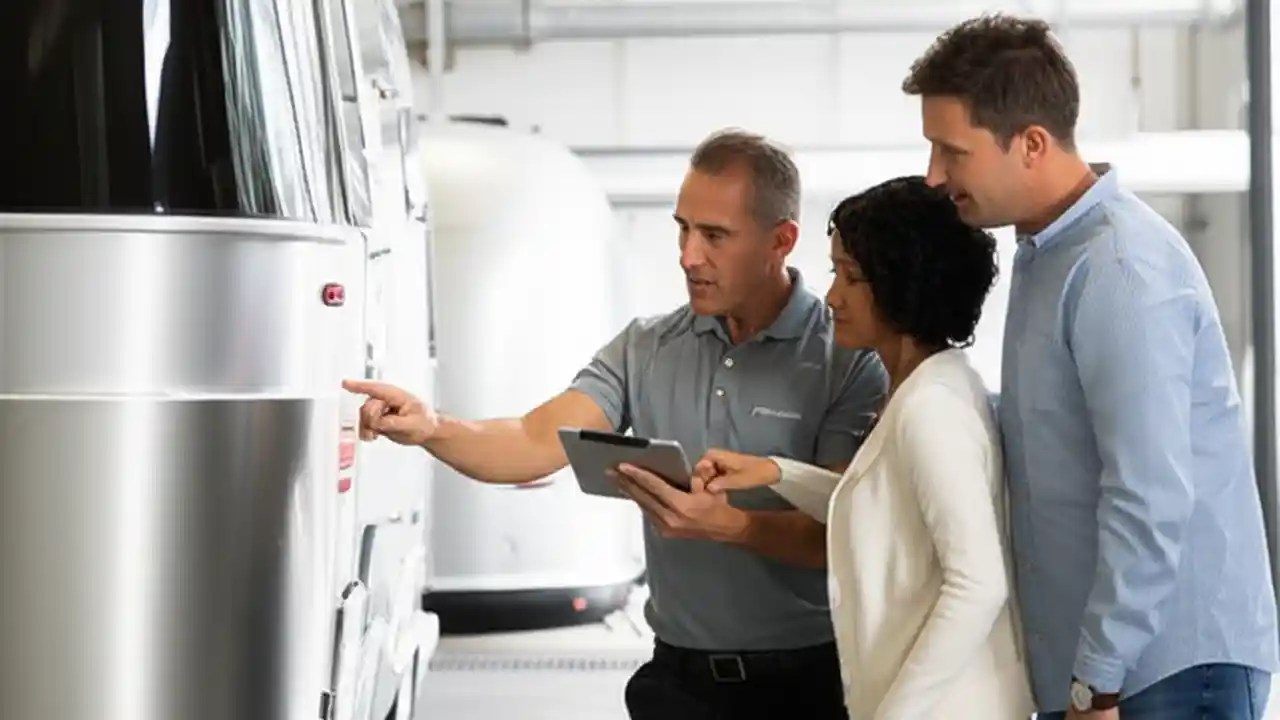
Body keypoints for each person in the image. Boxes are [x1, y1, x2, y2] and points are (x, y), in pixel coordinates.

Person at [342, 128, 889, 720]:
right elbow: (531, 440)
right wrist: (431, 427)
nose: (688, 255)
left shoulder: (848, 359)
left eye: (715, 236)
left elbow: (841, 533)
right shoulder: (647, 346)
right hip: (676, 685)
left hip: (805, 686)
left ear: (780, 241)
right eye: (682, 228)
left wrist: (731, 525)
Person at [900, 13, 1280, 719]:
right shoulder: (1049, 256)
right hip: (1106, 670)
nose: (934, 176)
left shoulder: (1119, 268)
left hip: (1162, 671)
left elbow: (1150, 494)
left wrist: (1095, 680)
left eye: (952, 151)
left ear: (1032, 144)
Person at [655, 175, 1033, 719]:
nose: (832, 297)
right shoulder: (920, 388)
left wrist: (895, 713)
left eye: (851, 277)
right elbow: (882, 504)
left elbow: (978, 583)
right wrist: (777, 473)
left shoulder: (931, 409)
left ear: (904, 283)